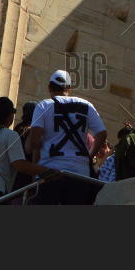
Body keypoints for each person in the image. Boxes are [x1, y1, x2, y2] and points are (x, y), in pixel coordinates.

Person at [25, 70, 106, 205]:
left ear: (49, 87)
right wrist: (89, 157)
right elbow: (102, 133)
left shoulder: (43, 105)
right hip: (79, 174)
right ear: (69, 89)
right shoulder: (86, 105)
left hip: (50, 171)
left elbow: (34, 142)